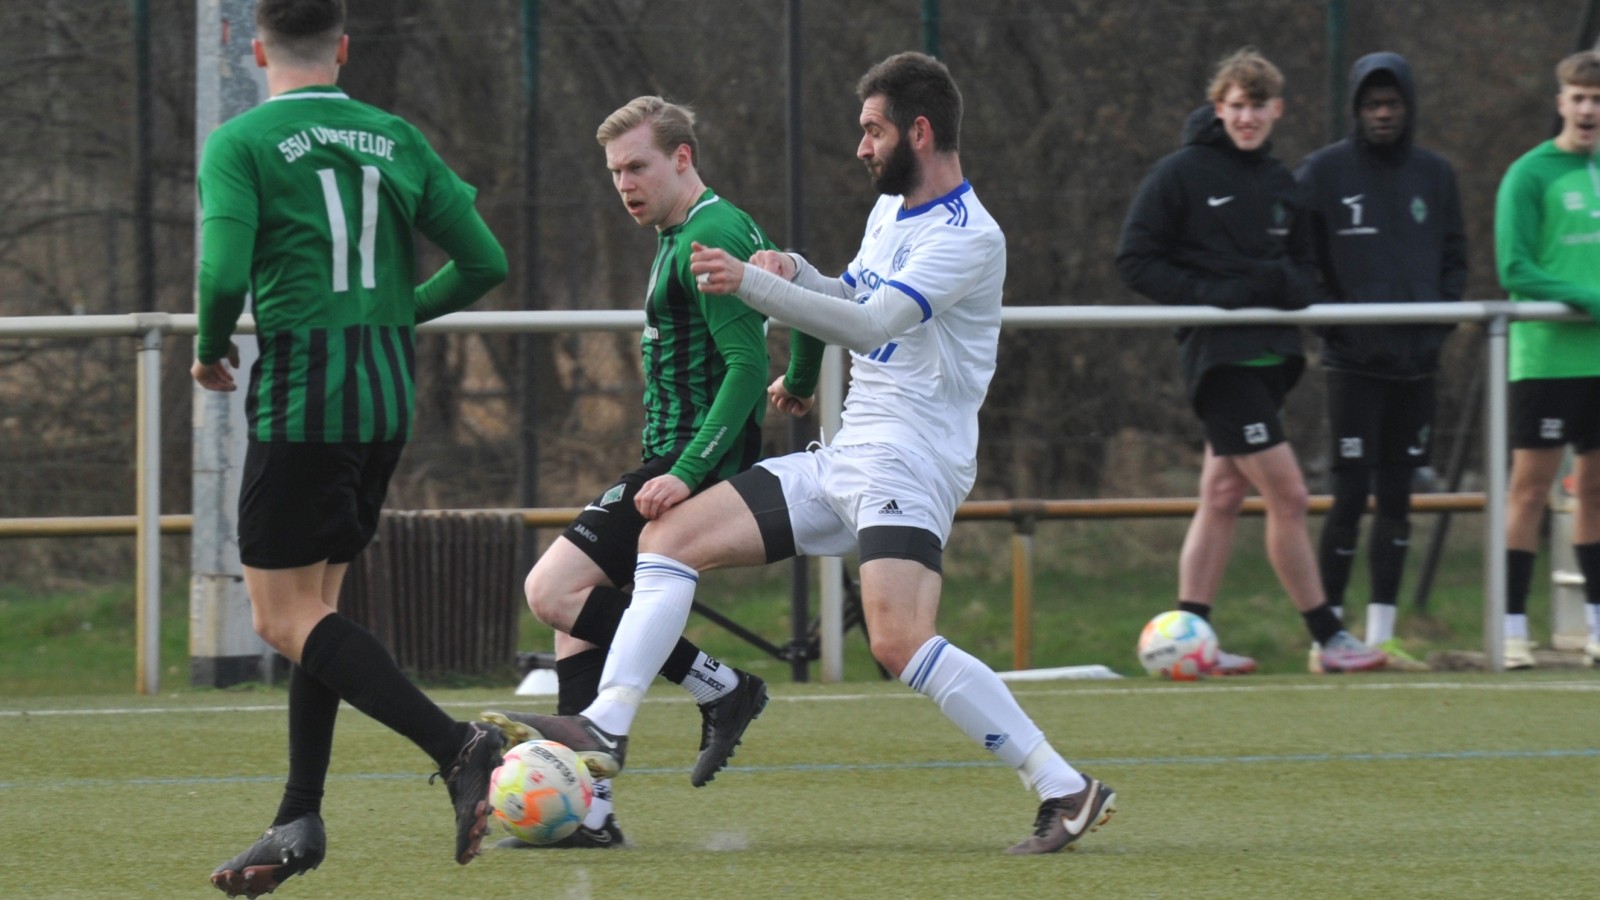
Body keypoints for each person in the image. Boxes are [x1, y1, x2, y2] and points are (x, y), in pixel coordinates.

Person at [486, 51, 1117, 854]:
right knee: (666, 538)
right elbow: (846, 297)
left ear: (918, 132)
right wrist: (797, 271)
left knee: (897, 641)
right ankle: (605, 726)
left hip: (912, 462)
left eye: (872, 130)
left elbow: (870, 325)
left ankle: (1063, 786)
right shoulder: (892, 214)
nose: (861, 147)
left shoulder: (973, 236)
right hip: (848, 453)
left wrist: (750, 283)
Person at [192, 1, 509, 894]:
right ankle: (297, 819)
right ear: (341, 46)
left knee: (278, 617)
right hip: (383, 403)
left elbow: (220, 274)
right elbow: (484, 260)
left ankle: (460, 748)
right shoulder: (395, 137)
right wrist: (395, 310)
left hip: (305, 400)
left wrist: (211, 347)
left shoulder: (243, 142)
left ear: (256, 50)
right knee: (317, 613)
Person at [484, 96, 776, 849]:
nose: (625, 183)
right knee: (577, 625)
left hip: (691, 460)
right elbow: (792, 295)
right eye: (615, 172)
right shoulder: (692, 228)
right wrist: (804, 379)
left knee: (551, 589)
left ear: (682, 157)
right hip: (677, 453)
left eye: (638, 165)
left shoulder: (707, 229)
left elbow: (746, 365)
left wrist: (687, 471)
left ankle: (723, 686)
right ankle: (592, 815)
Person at [1116, 48, 1387, 674]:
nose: (1248, 118)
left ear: (1276, 111)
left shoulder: (1280, 184)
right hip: (1219, 362)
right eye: (1237, 106)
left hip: (1272, 362)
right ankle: (1329, 637)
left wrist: (1284, 285)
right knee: (1289, 495)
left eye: (1258, 107)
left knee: (1221, 493)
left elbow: (1304, 272)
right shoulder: (1181, 174)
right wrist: (1215, 295)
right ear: (1220, 108)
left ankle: (1191, 641)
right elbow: (1136, 259)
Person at [1295, 52, 1467, 673]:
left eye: (1393, 104)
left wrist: (1436, 327)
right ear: (1356, 111)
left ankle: (1385, 632)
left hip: (1416, 365)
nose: (1384, 114)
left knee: (1399, 497)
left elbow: (1454, 257)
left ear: (1408, 108)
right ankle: (1330, 639)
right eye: (1373, 105)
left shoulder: (1435, 174)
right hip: (1352, 366)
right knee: (1348, 495)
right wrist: (1339, 327)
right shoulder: (1322, 173)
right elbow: (1305, 262)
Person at [1495, 49, 1600, 671]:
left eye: (1598, 99)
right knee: (1529, 491)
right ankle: (1510, 627)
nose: (1589, 111)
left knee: (1595, 492)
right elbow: (1515, 267)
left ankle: (1594, 625)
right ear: (1560, 102)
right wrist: (1587, 298)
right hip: (1546, 359)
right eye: (1579, 98)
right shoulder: (1530, 174)